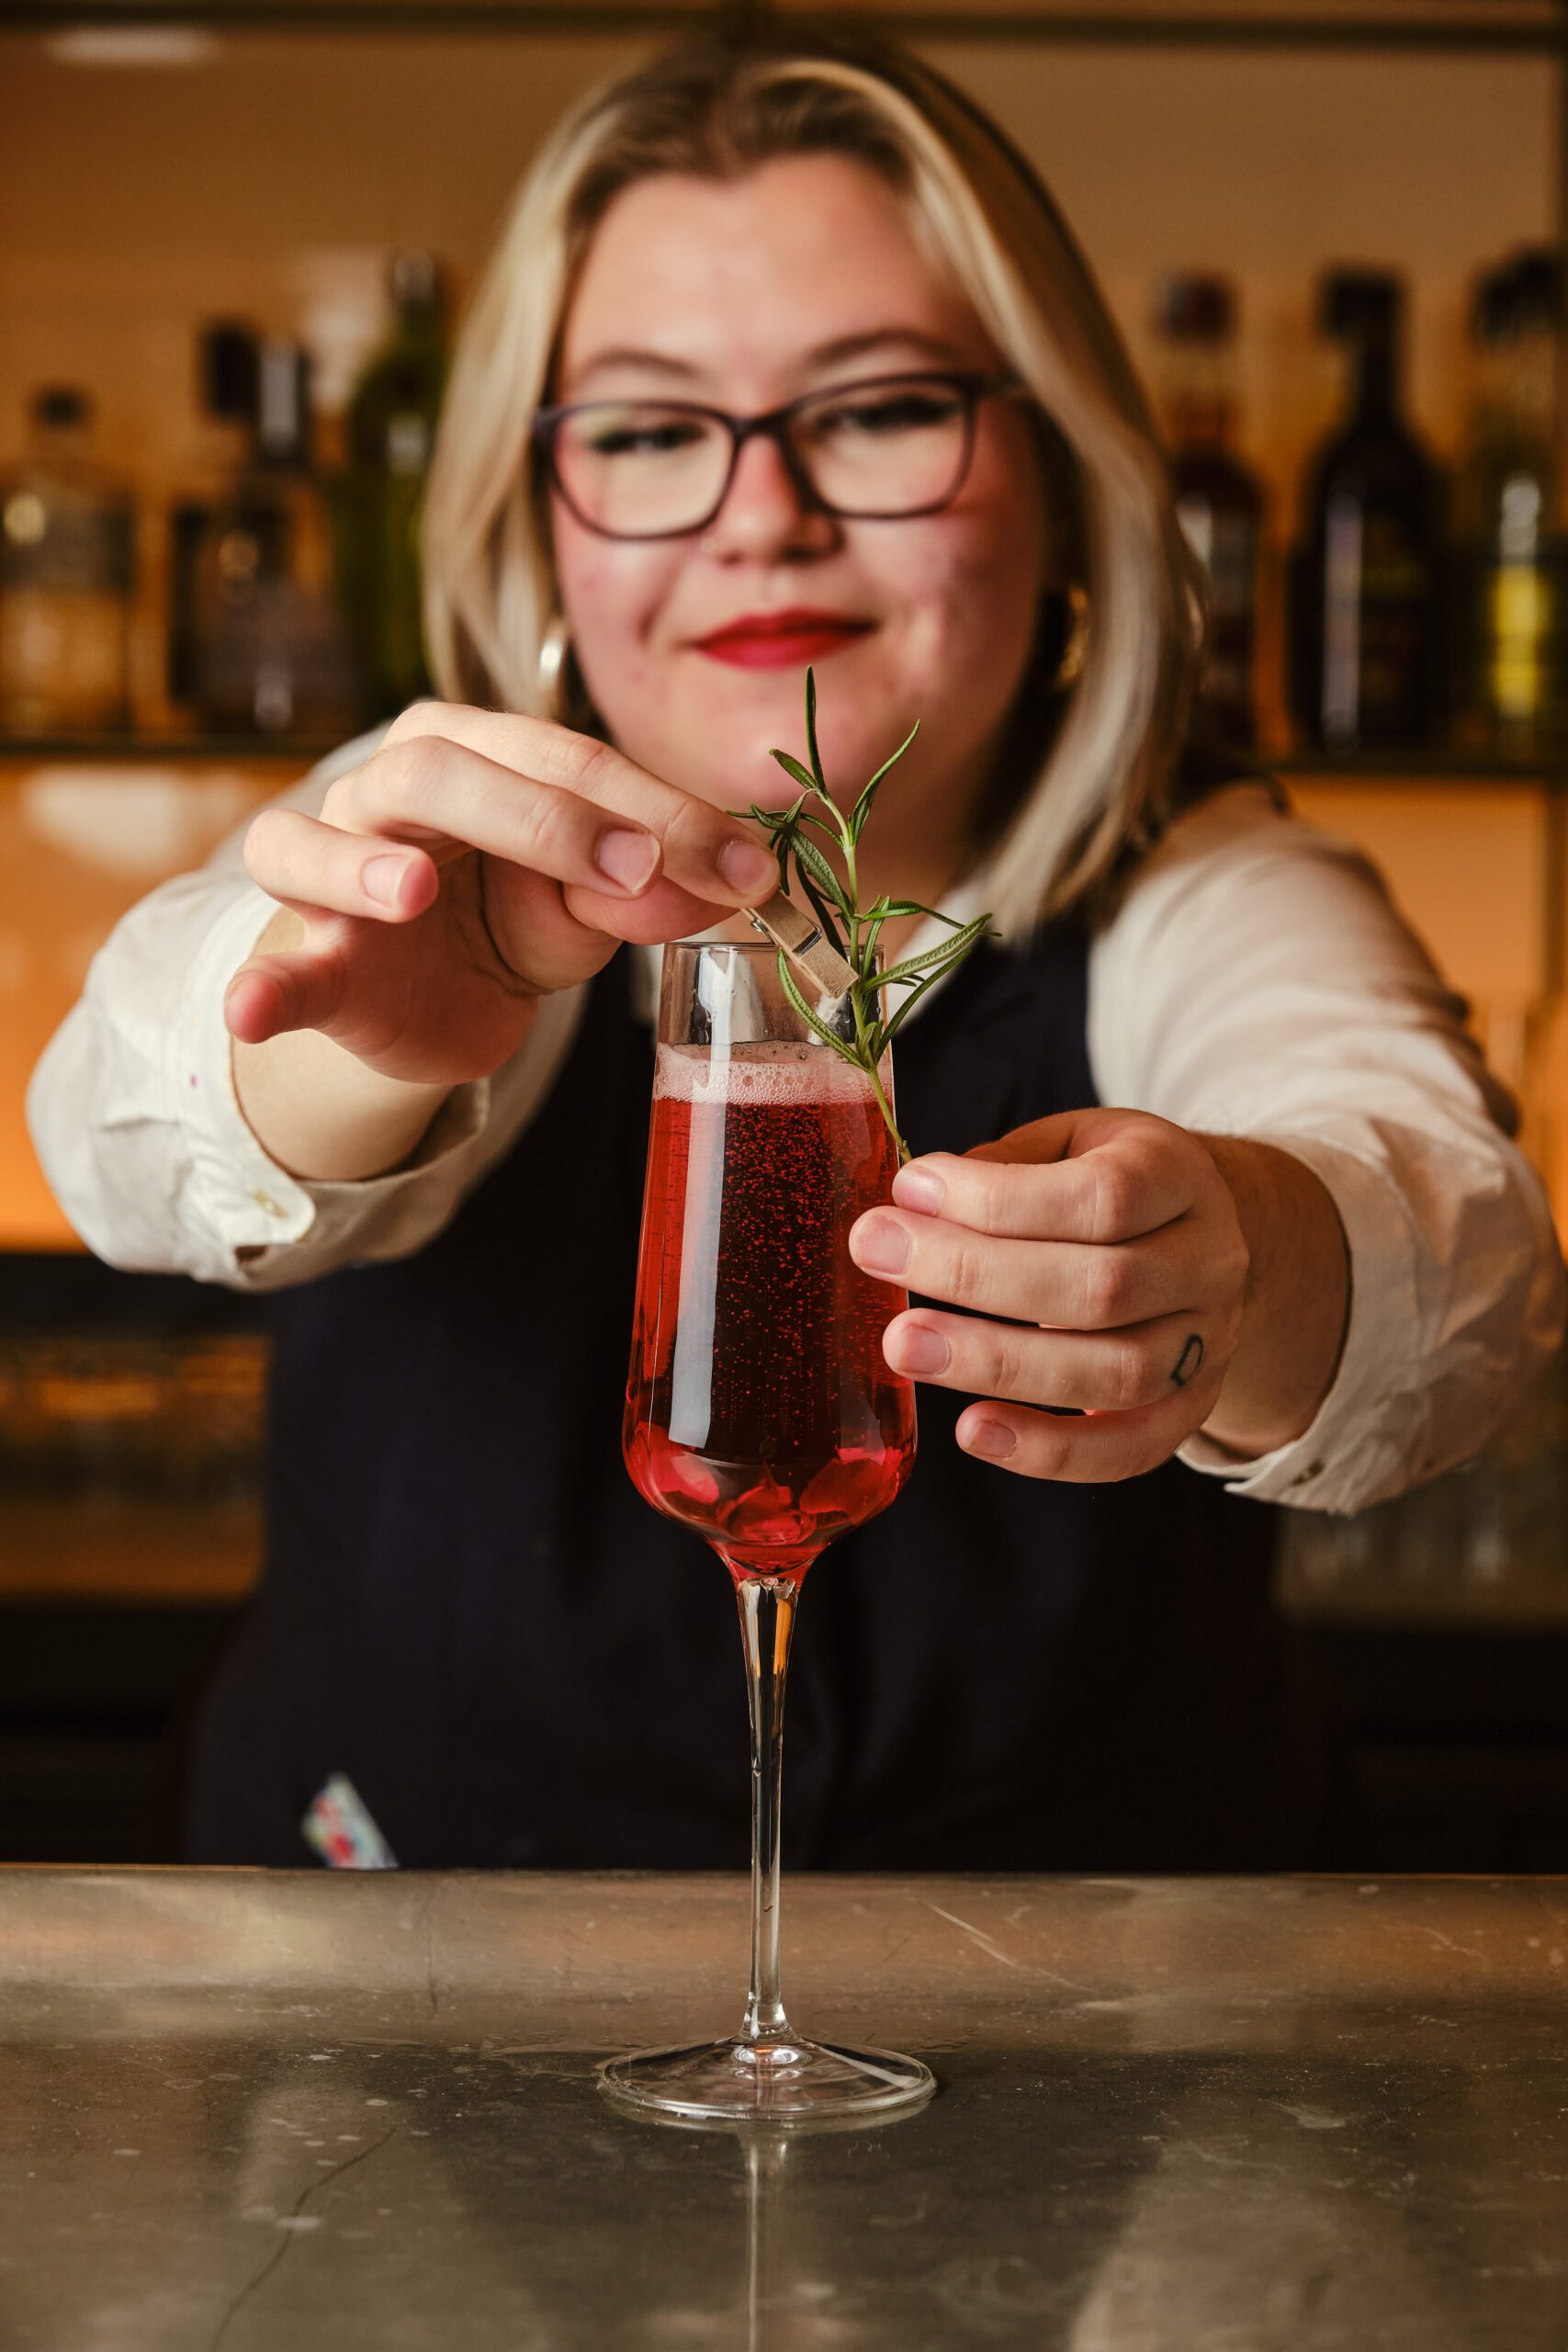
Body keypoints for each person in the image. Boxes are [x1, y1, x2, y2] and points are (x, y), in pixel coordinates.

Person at [29, 31, 1562, 1871]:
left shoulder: (1199, 886)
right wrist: (348, 1042)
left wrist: (1243, 1249)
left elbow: (1451, 1250)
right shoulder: (423, 826)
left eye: (883, 406)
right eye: (651, 429)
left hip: (1087, 2071)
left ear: (1062, 474)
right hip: (391, 2025)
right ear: (542, 523)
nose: (761, 514)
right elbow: (115, 1133)